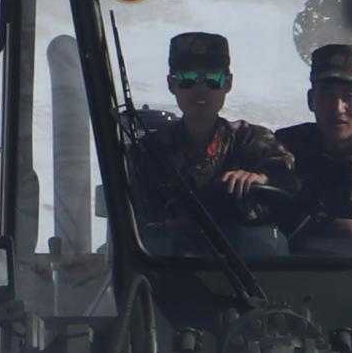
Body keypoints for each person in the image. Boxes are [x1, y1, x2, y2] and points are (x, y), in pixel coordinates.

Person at [123, 30, 292, 244]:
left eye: (213, 79)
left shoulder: (251, 140)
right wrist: (173, 227)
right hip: (170, 269)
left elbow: (289, 180)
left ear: (228, 83)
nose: (201, 89)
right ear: (171, 84)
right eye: (188, 79)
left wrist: (261, 179)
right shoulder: (149, 153)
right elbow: (135, 226)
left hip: (250, 268)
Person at [270, 43, 352, 245]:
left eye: (349, 95)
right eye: (327, 95)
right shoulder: (282, 149)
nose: (338, 107)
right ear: (311, 100)